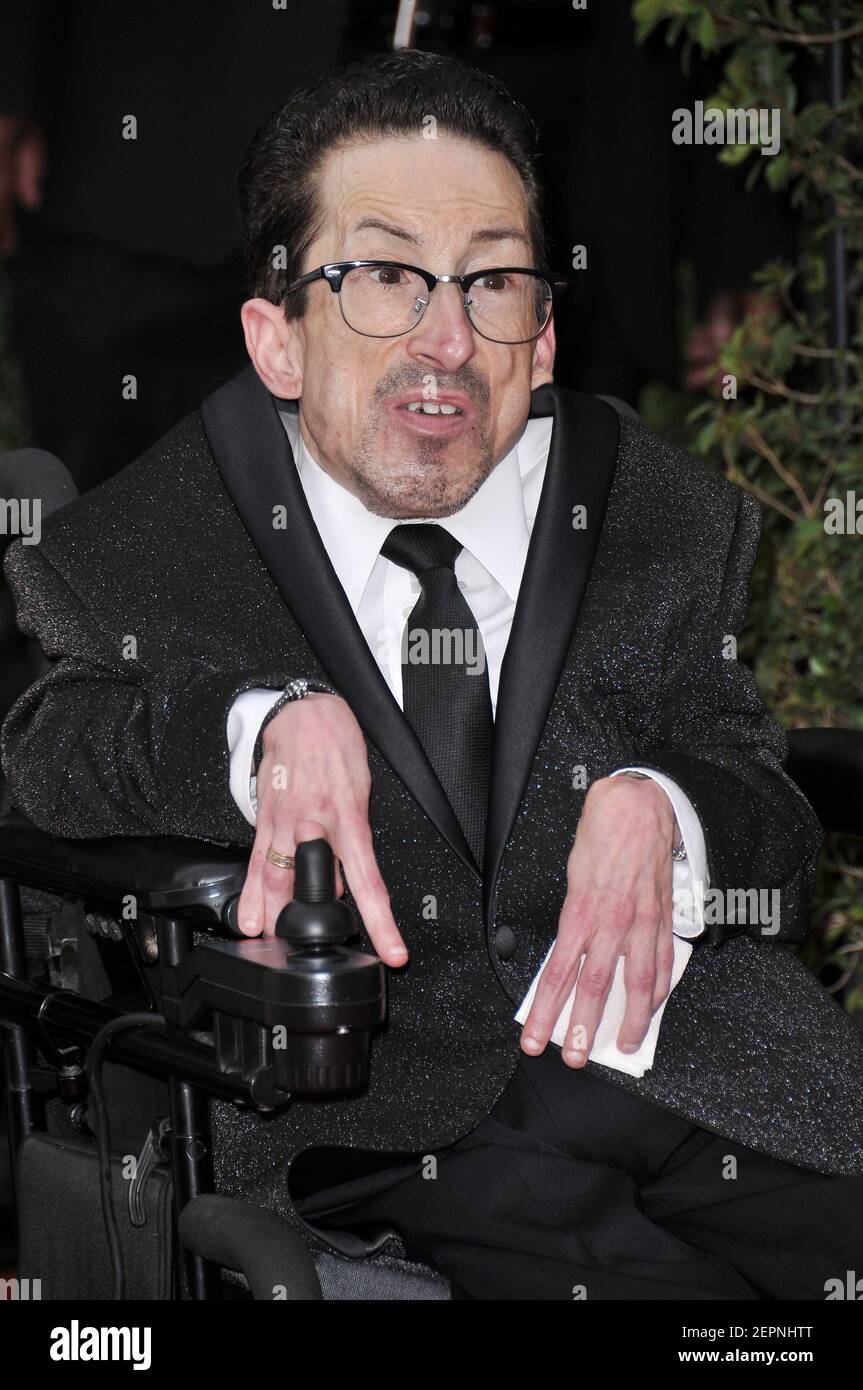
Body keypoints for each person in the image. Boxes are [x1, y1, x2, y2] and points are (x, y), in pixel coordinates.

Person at [2, 51, 862, 1301]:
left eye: (492, 281)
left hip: (708, 1071)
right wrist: (258, 731)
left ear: (543, 336)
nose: (446, 340)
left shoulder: (656, 517)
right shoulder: (152, 546)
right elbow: (51, 751)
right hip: (378, 1128)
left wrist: (668, 808)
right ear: (277, 340)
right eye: (384, 278)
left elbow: (764, 807)